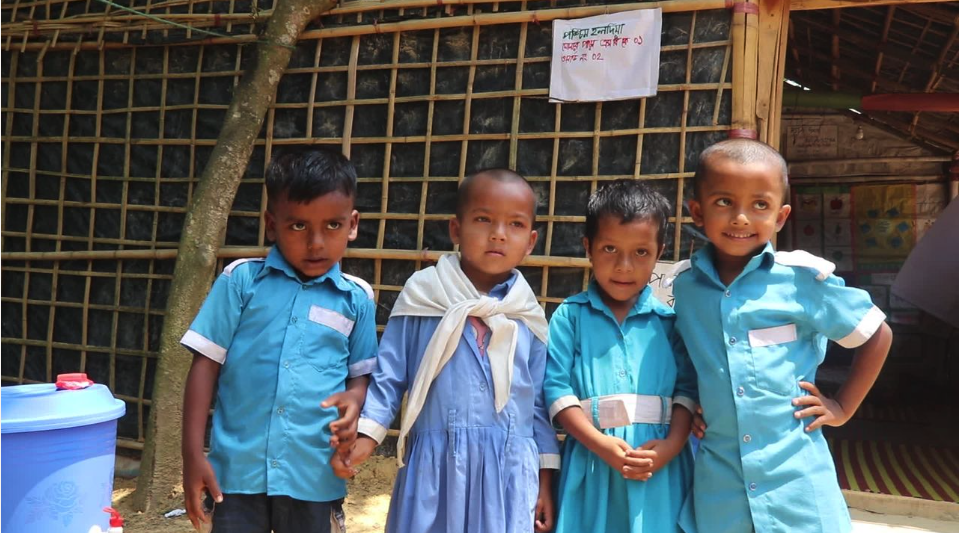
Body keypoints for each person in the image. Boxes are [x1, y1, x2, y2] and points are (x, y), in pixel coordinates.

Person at [670, 139, 893, 533]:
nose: (741, 218)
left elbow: (877, 334)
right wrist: (692, 407)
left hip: (797, 479)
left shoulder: (801, 282)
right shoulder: (684, 289)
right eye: (724, 202)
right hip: (721, 484)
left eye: (759, 205)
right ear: (697, 212)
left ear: (781, 216)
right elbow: (687, 359)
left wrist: (841, 407)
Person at [337, 169, 560, 533]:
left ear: (531, 241)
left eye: (515, 225)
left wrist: (545, 481)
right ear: (456, 229)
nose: (498, 233)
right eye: (483, 219)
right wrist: (366, 437)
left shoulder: (527, 315)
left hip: (507, 474)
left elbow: (536, 405)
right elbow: (390, 377)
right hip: (434, 470)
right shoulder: (423, 297)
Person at [179, 149, 378, 533]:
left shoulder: (357, 299)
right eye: (299, 227)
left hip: (315, 475)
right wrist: (192, 456)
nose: (317, 243)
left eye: (333, 226)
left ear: (353, 224)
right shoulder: (241, 282)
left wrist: (355, 399)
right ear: (272, 224)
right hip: (237, 474)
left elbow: (361, 376)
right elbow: (204, 366)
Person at [544, 179, 696, 533]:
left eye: (641, 252)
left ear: (659, 253)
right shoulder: (570, 316)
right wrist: (600, 445)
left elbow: (687, 393)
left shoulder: (671, 323)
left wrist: (671, 448)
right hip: (591, 461)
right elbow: (556, 390)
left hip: (659, 466)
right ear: (588, 248)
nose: (624, 266)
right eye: (610, 248)